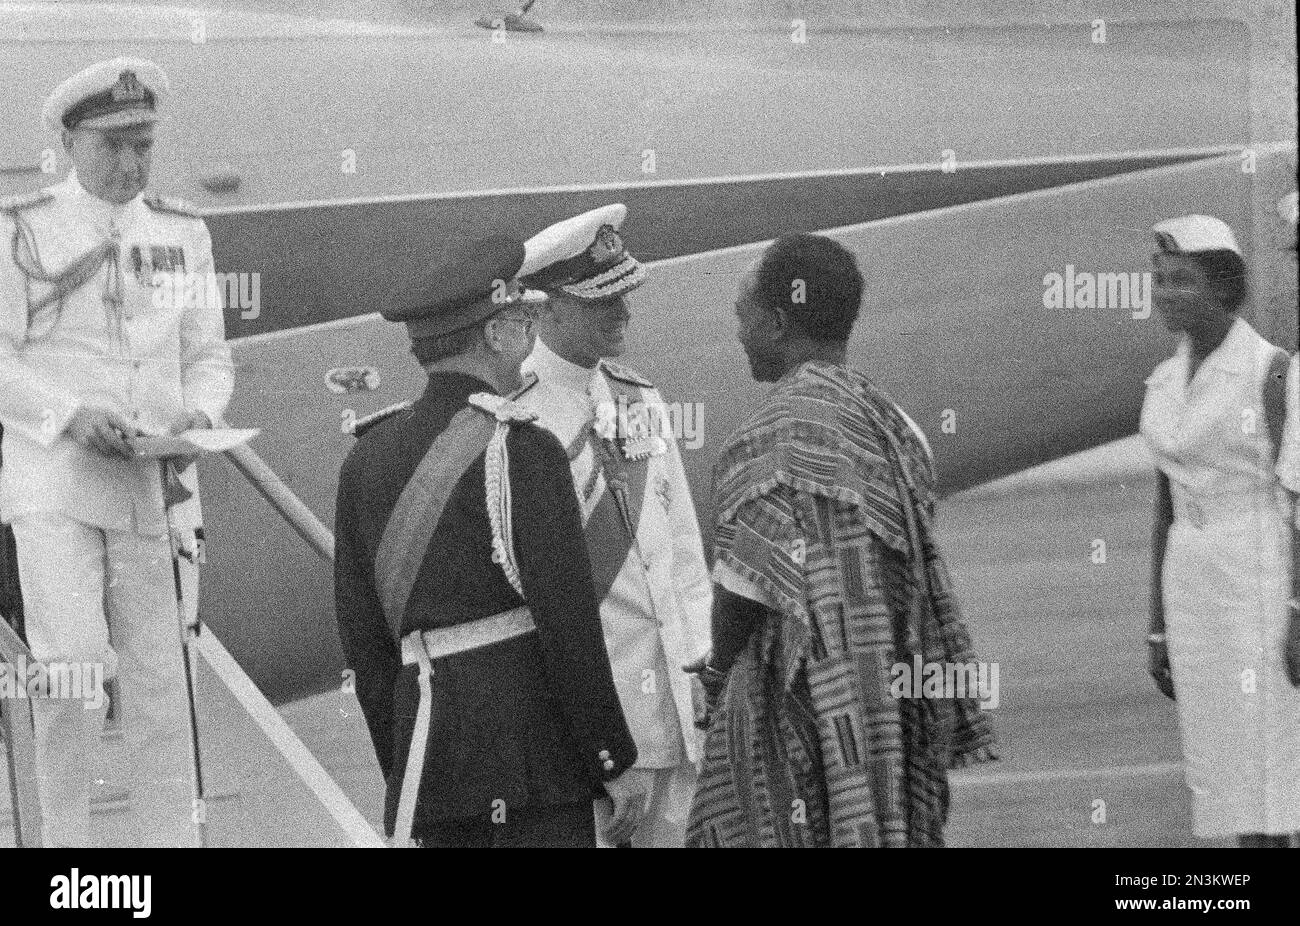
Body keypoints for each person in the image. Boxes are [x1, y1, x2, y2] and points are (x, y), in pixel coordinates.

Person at [684, 232, 998, 848]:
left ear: (776, 323)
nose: (740, 334)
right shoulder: (890, 421)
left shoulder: (771, 435)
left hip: (799, 692)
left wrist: (720, 668)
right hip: (890, 688)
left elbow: (746, 588)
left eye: (743, 318)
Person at [334, 235, 646, 848]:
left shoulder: (366, 457)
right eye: (523, 321)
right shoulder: (524, 450)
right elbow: (568, 627)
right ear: (500, 333)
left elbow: (366, 646)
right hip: (536, 774)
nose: (531, 338)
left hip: (432, 773)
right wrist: (611, 759)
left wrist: (404, 767)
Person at [0, 57, 233, 847]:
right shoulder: (20, 227)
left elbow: (209, 358)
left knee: (163, 687)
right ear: (68, 142)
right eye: (113, 146)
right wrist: (68, 416)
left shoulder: (180, 231)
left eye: (145, 145)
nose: (133, 164)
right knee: (69, 673)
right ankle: (67, 856)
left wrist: (196, 418)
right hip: (57, 482)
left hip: (153, 484)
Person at [514, 204, 711, 847]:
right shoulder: (514, 417)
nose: (623, 311)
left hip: (672, 714)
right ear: (545, 311)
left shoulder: (638, 397)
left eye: (625, 294)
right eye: (603, 300)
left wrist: (703, 661)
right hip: (590, 729)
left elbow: (682, 550)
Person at [1140, 213, 1299, 846]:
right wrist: (1155, 621)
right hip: (1192, 575)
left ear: (1224, 291)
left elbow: (1296, 502)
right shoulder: (1162, 380)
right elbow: (1164, 507)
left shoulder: (1273, 373)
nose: (1163, 294)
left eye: (1181, 280)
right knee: (1216, 744)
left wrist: (1298, 608)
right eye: (1158, 280)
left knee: (1271, 745)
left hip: (1257, 566)